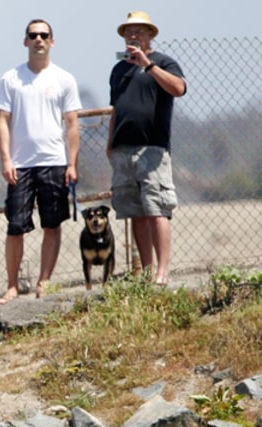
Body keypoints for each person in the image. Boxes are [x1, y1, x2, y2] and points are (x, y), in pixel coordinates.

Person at [0, 19, 82, 304]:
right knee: (15, 225)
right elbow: (2, 121)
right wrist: (6, 160)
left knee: (52, 224)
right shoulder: (11, 79)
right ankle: (12, 285)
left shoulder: (64, 79)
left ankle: (44, 282)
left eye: (44, 35)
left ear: (52, 41)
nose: (39, 40)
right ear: (25, 41)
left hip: (54, 161)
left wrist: (71, 164)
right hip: (21, 164)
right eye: (33, 35)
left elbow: (71, 125)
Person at [108, 11, 187, 285]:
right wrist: (110, 144)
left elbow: (178, 88)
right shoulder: (118, 70)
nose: (133, 36)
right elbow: (115, 110)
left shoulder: (164, 63)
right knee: (136, 213)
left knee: (157, 209)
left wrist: (148, 66)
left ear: (150, 35)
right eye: (129, 32)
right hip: (123, 149)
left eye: (139, 31)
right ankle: (145, 271)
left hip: (152, 149)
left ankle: (162, 273)